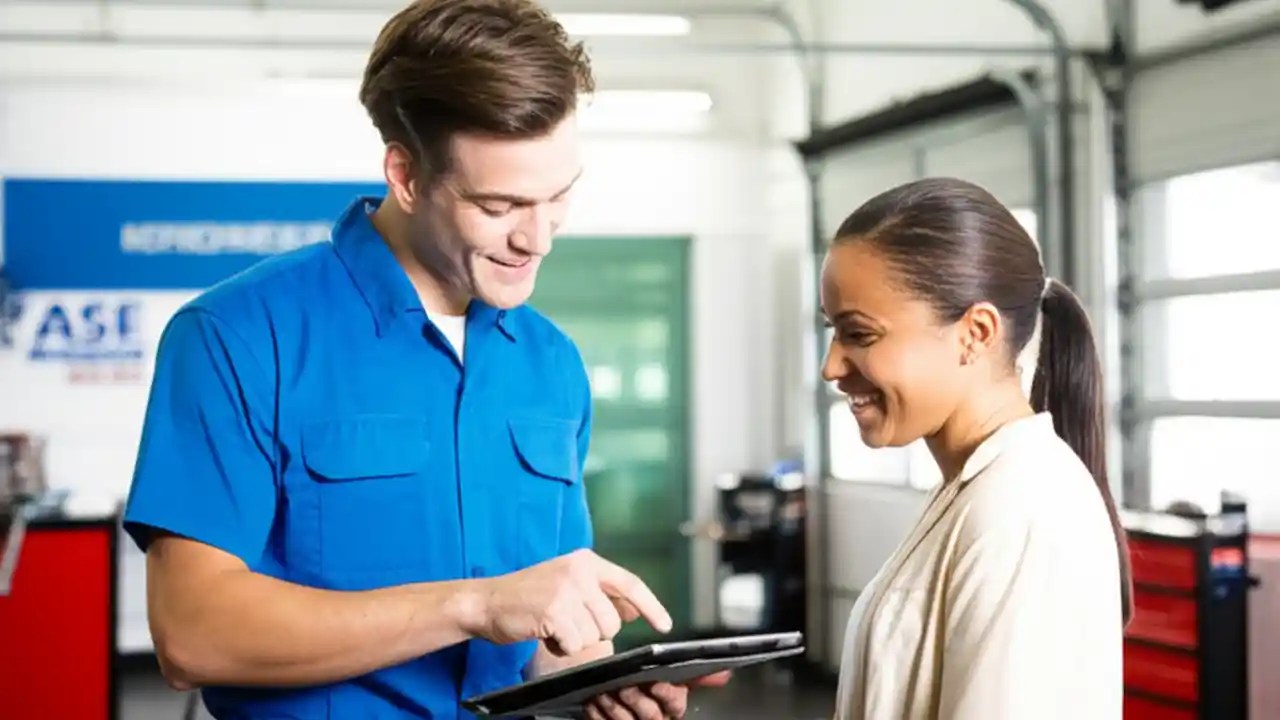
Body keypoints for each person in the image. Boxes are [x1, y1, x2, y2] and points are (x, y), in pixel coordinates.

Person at [122, 1, 726, 717]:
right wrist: (474, 605)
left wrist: (599, 682)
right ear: (405, 176)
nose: (539, 239)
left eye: (558, 195)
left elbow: (544, 632)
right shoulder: (239, 335)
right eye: (500, 205)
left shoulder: (550, 363)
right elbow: (195, 635)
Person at [821, 178, 1131, 719]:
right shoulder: (976, 488)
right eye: (833, 331)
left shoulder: (1023, 511)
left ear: (975, 332)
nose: (831, 367)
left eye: (859, 335)